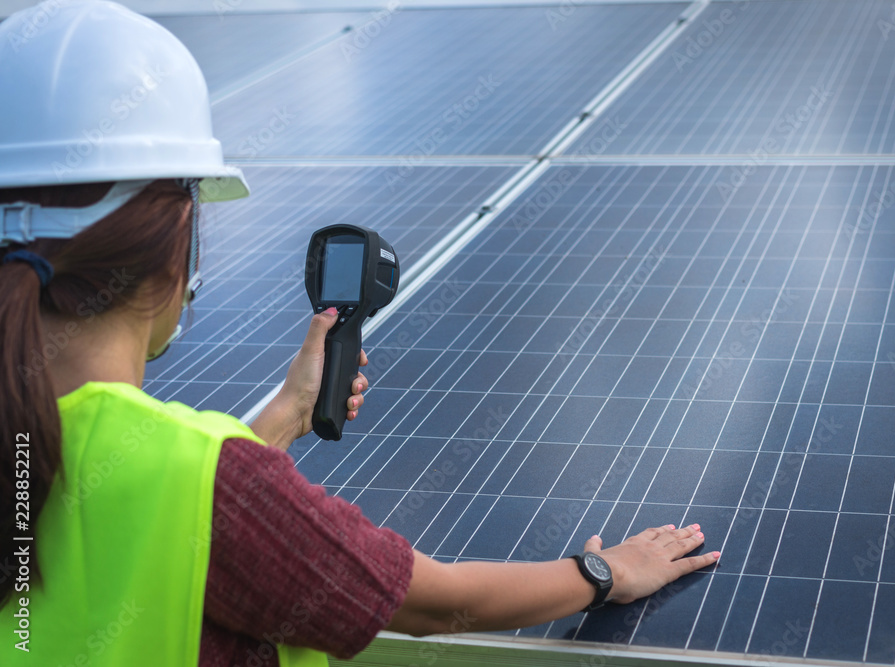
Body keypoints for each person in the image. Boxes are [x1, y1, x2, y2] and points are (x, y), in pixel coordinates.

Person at [0, 2, 720, 665]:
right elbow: (436, 603)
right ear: (177, 238)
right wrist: (606, 571)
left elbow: (166, 516)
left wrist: (287, 412)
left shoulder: (65, 443)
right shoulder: (207, 480)